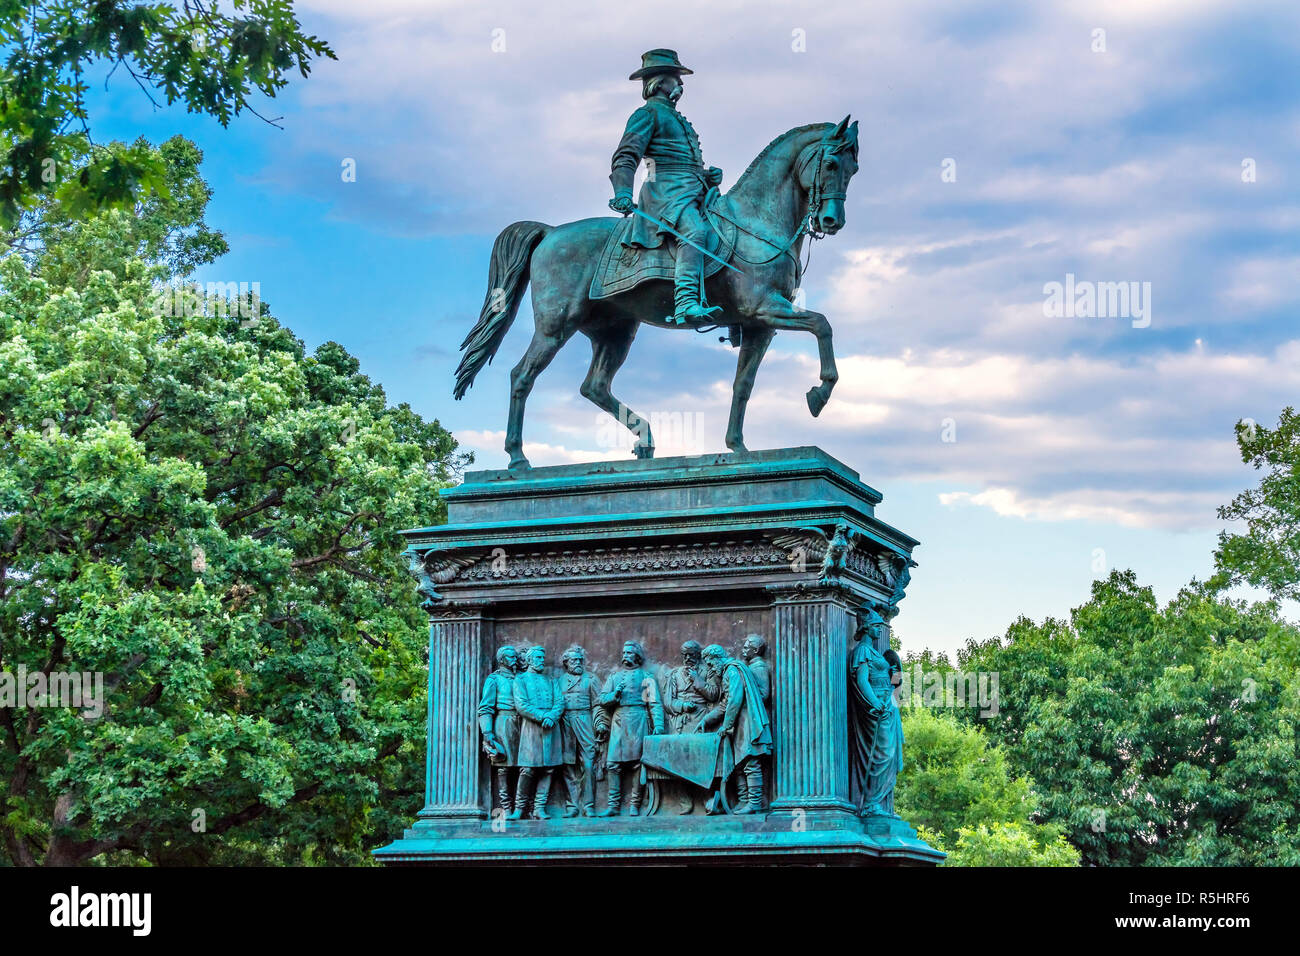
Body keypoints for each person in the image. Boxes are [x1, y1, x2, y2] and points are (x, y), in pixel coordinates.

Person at [609, 48, 724, 325]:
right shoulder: (647, 114)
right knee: (694, 231)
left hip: (695, 191)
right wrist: (622, 192)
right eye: (676, 78)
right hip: (666, 195)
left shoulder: (678, 117)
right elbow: (626, 156)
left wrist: (708, 177)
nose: (681, 84)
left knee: (728, 229)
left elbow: (681, 161)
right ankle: (685, 303)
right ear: (660, 82)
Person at [699, 643, 772, 815]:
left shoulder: (732, 670)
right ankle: (744, 800)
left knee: (750, 761)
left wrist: (727, 725)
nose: (710, 668)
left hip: (748, 722)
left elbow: (734, 700)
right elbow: (725, 704)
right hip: (741, 722)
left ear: (717, 659)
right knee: (739, 763)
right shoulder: (730, 671)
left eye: (709, 663)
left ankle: (755, 802)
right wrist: (706, 720)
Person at [597, 641, 665, 816]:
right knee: (612, 763)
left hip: (638, 719)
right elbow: (603, 700)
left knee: (637, 764)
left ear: (637, 656)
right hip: (619, 720)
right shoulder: (614, 678)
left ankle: (635, 804)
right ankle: (613, 805)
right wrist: (615, 695)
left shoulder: (645, 677)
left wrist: (658, 725)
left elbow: (654, 704)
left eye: (629, 653)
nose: (625, 656)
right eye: (624, 652)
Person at [849, 608, 904, 817]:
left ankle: (878, 802)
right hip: (877, 709)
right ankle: (871, 802)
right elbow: (862, 680)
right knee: (883, 754)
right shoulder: (862, 651)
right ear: (866, 627)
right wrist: (875, 703)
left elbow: (891, 681)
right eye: (876, 626)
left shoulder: (875, 653)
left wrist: (893, 673)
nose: (879, 630)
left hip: (887, 705)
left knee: (888, 755)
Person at [662, 639, 719, 813]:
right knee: (678, 759)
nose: (688, 658)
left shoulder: (707, 671)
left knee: (702, 758)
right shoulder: (674, 674)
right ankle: (685, 799)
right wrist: (682, 706)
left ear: (698, 654)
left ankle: (706, 797)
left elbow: (714, 695)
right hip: (680, 720)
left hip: (700, 718)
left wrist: (698, 681)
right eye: (685, 655)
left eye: (692, 655)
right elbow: (668, 701)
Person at [511, 645, 565, 820]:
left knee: (548, 769)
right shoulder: (520, 680)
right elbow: (521, 705)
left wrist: (552, 716)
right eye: (538, 658)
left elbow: (560, 702)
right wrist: (543, 716)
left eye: (543, 657)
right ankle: (520, 808)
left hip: (551, 727)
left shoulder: (551, 681)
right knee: (528, 769)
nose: (542, 661)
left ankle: (539, 808)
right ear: (529, 660)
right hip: (532, 728)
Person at [557, 645, 607, 818]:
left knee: (588, 764)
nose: (578, 663)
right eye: (574, 660)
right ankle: (572, 806)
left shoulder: (591, 679)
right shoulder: (559, 681)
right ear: (566, 663)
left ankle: (589, 805)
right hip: (565, 723)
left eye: (580, 660)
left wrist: (600, 724)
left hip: (585, 721)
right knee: (567, 766)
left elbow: (598, 705)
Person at [477, 645, 521, 815]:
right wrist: (487, 733)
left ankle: (521, 807)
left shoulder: (521, 678)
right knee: (504, 767)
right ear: (502, 660)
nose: (515, 659)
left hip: (523, 723)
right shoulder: (494, 680)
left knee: (524, 766)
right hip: (504, 723)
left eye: (515, 656)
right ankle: (506, 808)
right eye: (510, 657)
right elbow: (485, 708)